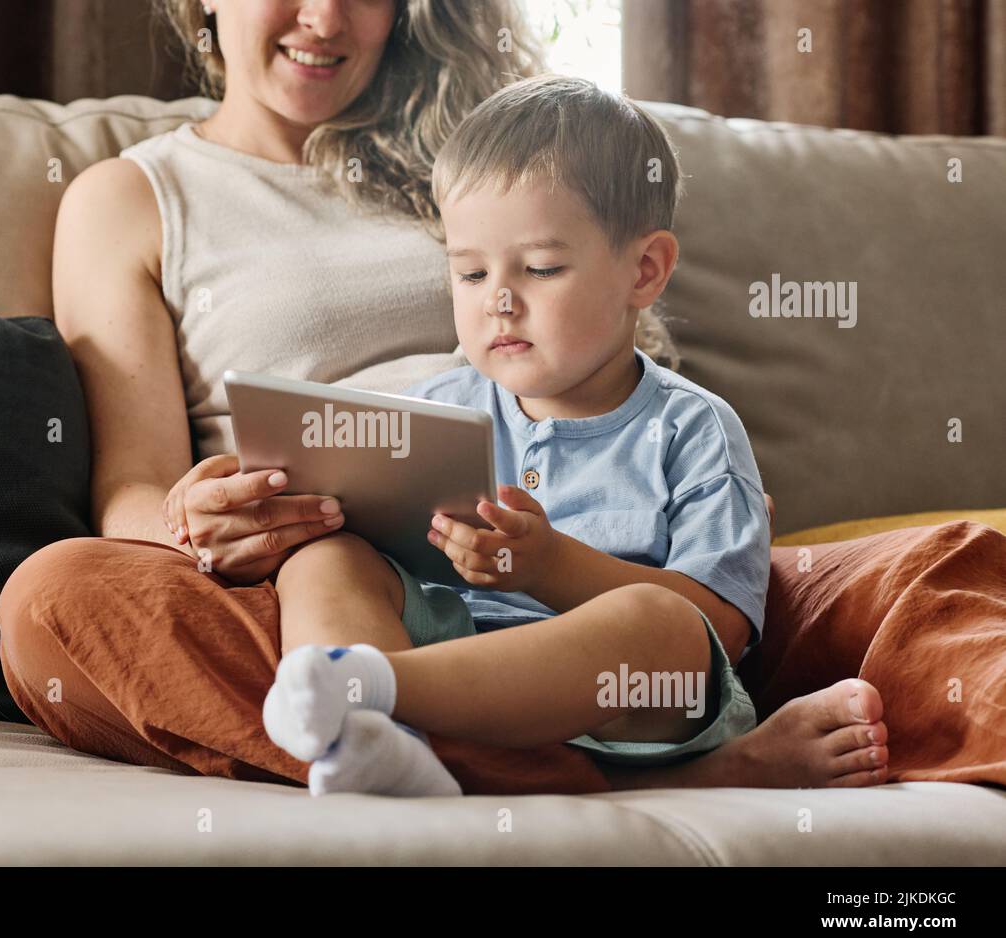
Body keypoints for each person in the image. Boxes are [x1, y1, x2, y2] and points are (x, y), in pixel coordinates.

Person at [0, 0, 890, 795]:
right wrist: (196, 522)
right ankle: (401, 725)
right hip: (335, 592)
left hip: (613, 584)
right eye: (466, 271)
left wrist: (612, 548)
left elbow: (696, 592)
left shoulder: (494, 150)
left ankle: (376, 724)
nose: (325, 18)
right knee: (49, 600)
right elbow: (131, 490)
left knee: (932, 574)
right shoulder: (130, 199)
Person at [260, 75, 890, 797]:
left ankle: (369, 692)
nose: (499, 300)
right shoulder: (436, 409)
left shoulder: (694, 428)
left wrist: (550, 564)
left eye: (540, 268)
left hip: (623, 702)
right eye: (468, 273)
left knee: (665, 624)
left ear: (644, 271)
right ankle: (377, 740)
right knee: (328, 557)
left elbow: (722, 629)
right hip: (457, 663)